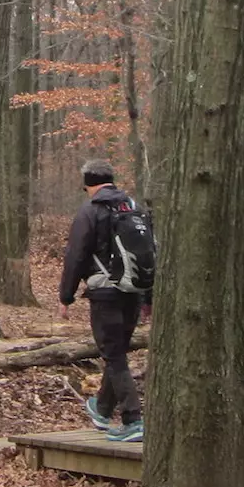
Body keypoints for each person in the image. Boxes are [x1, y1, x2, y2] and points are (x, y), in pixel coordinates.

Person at [58, 160, 153, 442]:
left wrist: (66, 296)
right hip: (134, 291)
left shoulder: (91, 210)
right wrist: (148, 296)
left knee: (113, 355)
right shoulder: (133, 207)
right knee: (117, 352)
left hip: (105, 293)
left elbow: (76, 255)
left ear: (88, 182)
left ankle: (133, 419)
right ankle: (101, 409)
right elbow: (148, 251)